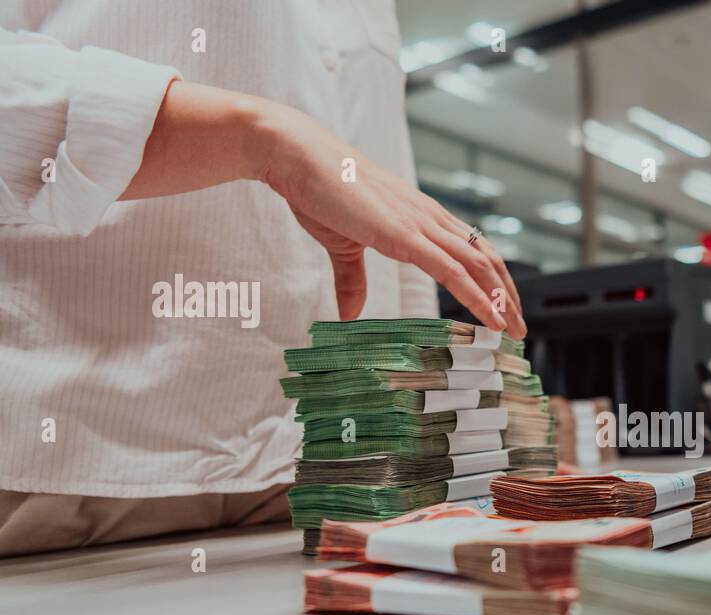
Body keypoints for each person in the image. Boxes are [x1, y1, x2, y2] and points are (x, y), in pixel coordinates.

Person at [0, 1, 524, 558]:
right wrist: (259, 137)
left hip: (325, 480)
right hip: (75, 469)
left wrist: (424, 433)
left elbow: (378, 197)